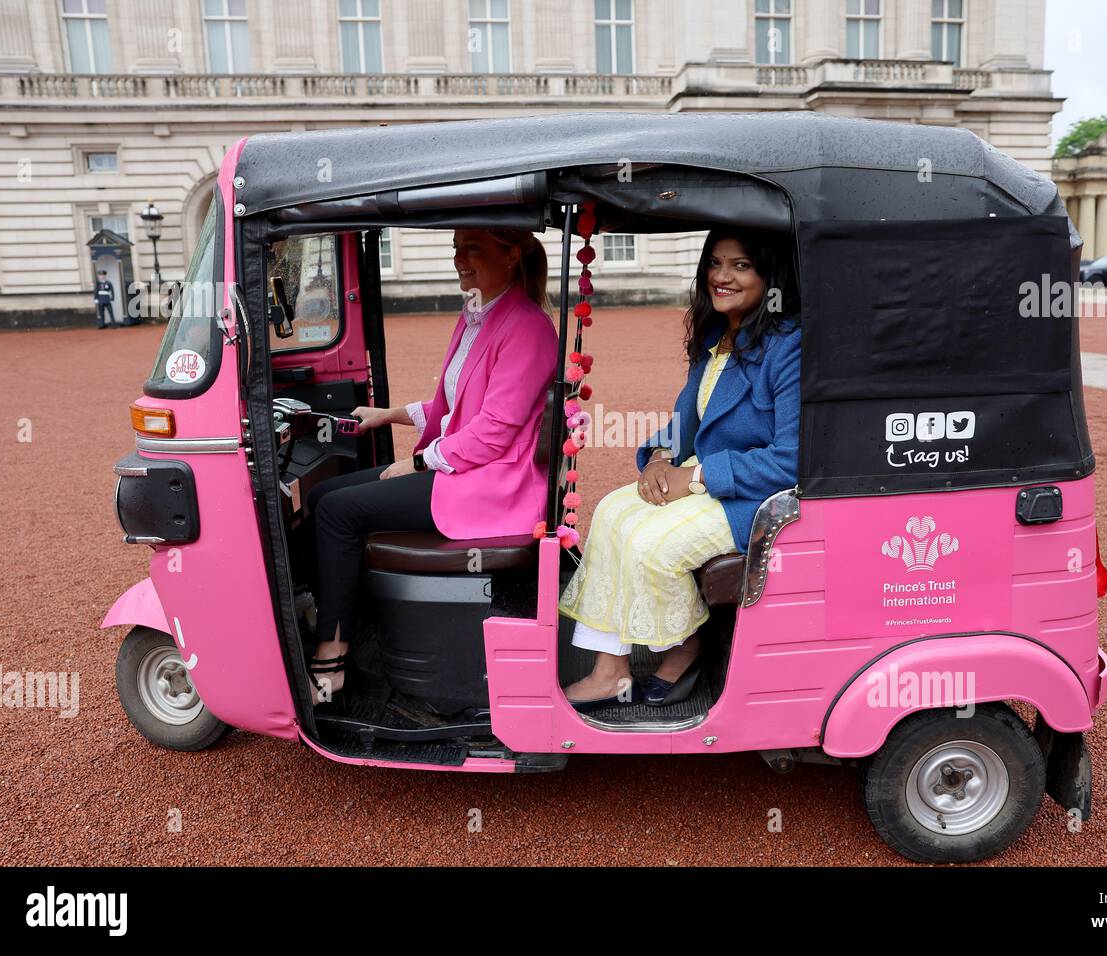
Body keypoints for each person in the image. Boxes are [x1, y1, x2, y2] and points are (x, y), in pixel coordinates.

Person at [303, 228, 557, 704]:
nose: (460, 259)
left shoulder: (526, 326)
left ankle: (332, 655)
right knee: (320, 498)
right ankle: (348, 619)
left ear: (512, 254)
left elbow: (495, 431)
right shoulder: (478, 314)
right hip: (466, 465)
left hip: (493, 483)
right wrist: (388, 415)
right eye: (457, 248)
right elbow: (451, 405)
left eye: (474, 247)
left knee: (338, 512)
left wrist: (419, 462)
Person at [558, 229, 801, 710]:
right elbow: (688, 421)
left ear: (771, 277)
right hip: (704, 476)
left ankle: (686, 647)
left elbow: (791, 459)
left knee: (651, 544)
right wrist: (661, 458)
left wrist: (693, 478)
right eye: (715, 263)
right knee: (611, 512)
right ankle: (610, 671)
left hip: (756, 496)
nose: (722, 276)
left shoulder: (788, 345)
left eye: (741, 265)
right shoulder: (717, 336)